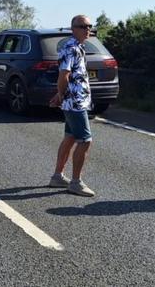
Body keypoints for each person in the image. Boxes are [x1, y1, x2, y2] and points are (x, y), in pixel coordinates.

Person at [49, 14, 96, 197]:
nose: (87, 30)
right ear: (73, 28)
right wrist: (61, 95)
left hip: (76, 99)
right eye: (83, 26)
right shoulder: (71, 48)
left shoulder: (78, 47)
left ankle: (57, 177)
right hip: (75, 103)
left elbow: (71, 77)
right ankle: (76, 182)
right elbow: (64, 74)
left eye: (89, 26)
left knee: (69, 137)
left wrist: (59, 95)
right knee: (85, 140)